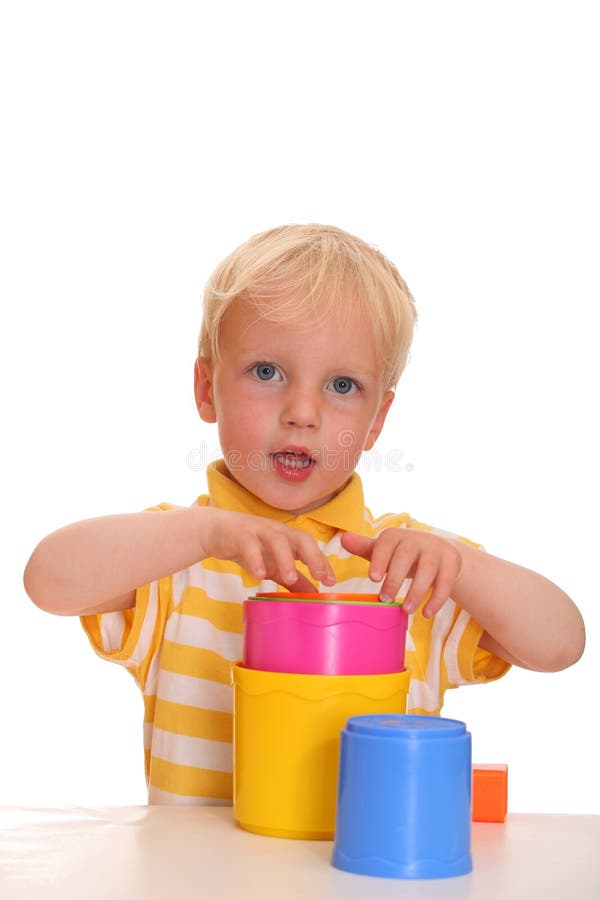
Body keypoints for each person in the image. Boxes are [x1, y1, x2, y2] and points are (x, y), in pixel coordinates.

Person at [23, 223, 585, 806]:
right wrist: (202, 531)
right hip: (197, 864)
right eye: (267, 372)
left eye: (342, 384)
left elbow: (561, 645)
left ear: (377, 420)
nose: (303, 412)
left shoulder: (410, 571)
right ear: (207, 389)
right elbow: (46, 581)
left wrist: (462, 567)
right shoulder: (177, 556)